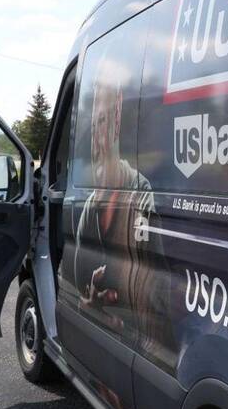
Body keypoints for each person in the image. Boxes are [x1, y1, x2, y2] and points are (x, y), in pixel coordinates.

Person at [71, 54, 174, 366]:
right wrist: (88, 308)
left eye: (103, 122)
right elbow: (78, 293)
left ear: (116, 118)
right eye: (92, 127)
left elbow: (153, 319)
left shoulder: (142, 199)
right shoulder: (90, 208)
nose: (97, 143)